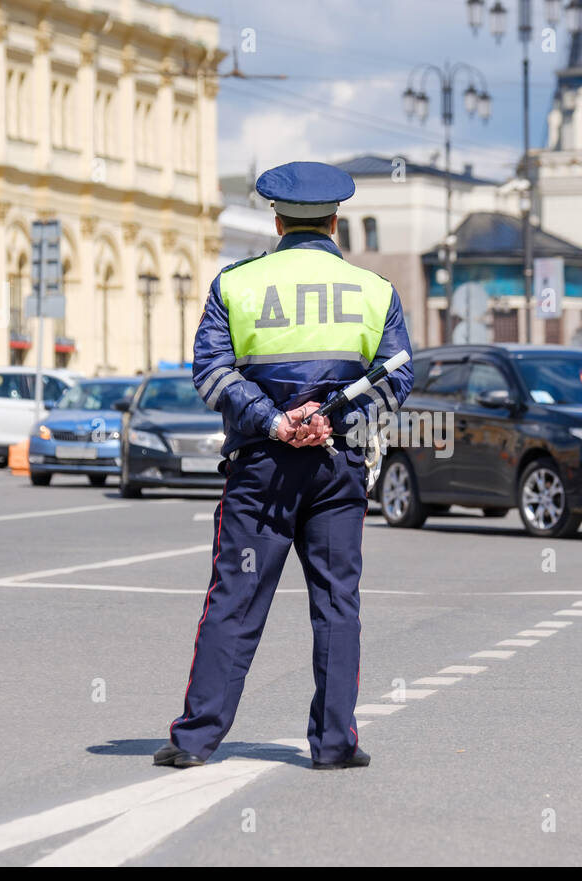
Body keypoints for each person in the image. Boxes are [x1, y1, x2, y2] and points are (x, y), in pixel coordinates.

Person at [154, 161, 413, 771]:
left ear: (276, 218)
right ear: (335, 219)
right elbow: (399, 373)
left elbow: (211, 373)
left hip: (261, 471)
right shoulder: (373, 290)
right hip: (336, 468)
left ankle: (196, 739)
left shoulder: (235, 284)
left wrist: (274, 421)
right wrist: (335, 421)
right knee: (337, 604)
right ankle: (333, 744)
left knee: (236, 599)